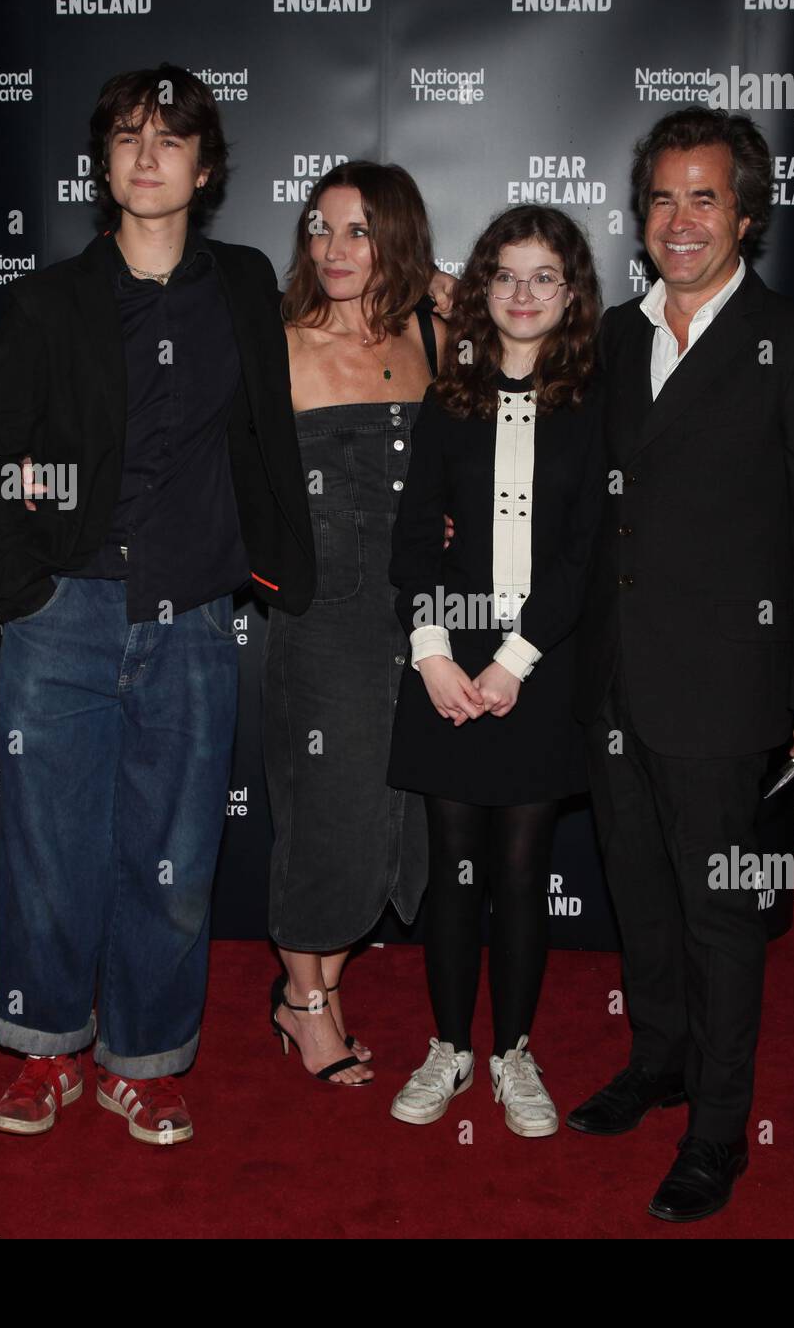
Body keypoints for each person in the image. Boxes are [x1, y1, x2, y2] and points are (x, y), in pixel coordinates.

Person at [0, 63, 314, 1144]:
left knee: (175, 859)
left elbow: (336, 338)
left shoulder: (246, 284)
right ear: (104, 165)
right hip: (62, 618)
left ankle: (147, 1061)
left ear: (204, 169)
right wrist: (26, 587)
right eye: (124, 136)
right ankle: (45, 1047)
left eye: (168, 138)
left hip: (194, 622)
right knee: (48, 854)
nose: (144, 154)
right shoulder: (48, 302)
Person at [570, 106, 794, 1219]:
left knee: (719, 918)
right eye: (661, 198)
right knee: (639, 897)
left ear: (746, 212)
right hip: (614, 682)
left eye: (704, 197)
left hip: (729, 689)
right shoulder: (610, 336)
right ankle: (658, 1062)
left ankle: (716, 1131)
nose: (679, 219)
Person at [386, 205, 604, 1137]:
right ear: (481, 287)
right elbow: (413, 537)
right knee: (452, 867)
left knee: (521, 870)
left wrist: (515, 661)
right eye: (506, 275)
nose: (522, 294)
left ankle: (514, 1049)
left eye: (543, 276)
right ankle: (448, 1047)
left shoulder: (596, 402)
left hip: (542, 666)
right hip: (447, 664)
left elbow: (584, 554)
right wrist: (434, 654)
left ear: (572, 293)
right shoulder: (450, 394)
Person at [264, 161, 446, 1086]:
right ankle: (305, 1004)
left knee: (395, 803)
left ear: (397, 239)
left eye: (359, 230)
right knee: (328, 804)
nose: (334, 249)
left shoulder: (431, 331)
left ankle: (315, 990)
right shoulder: (278, 344)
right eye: (320, 227)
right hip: (321, 616)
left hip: (418, 617)